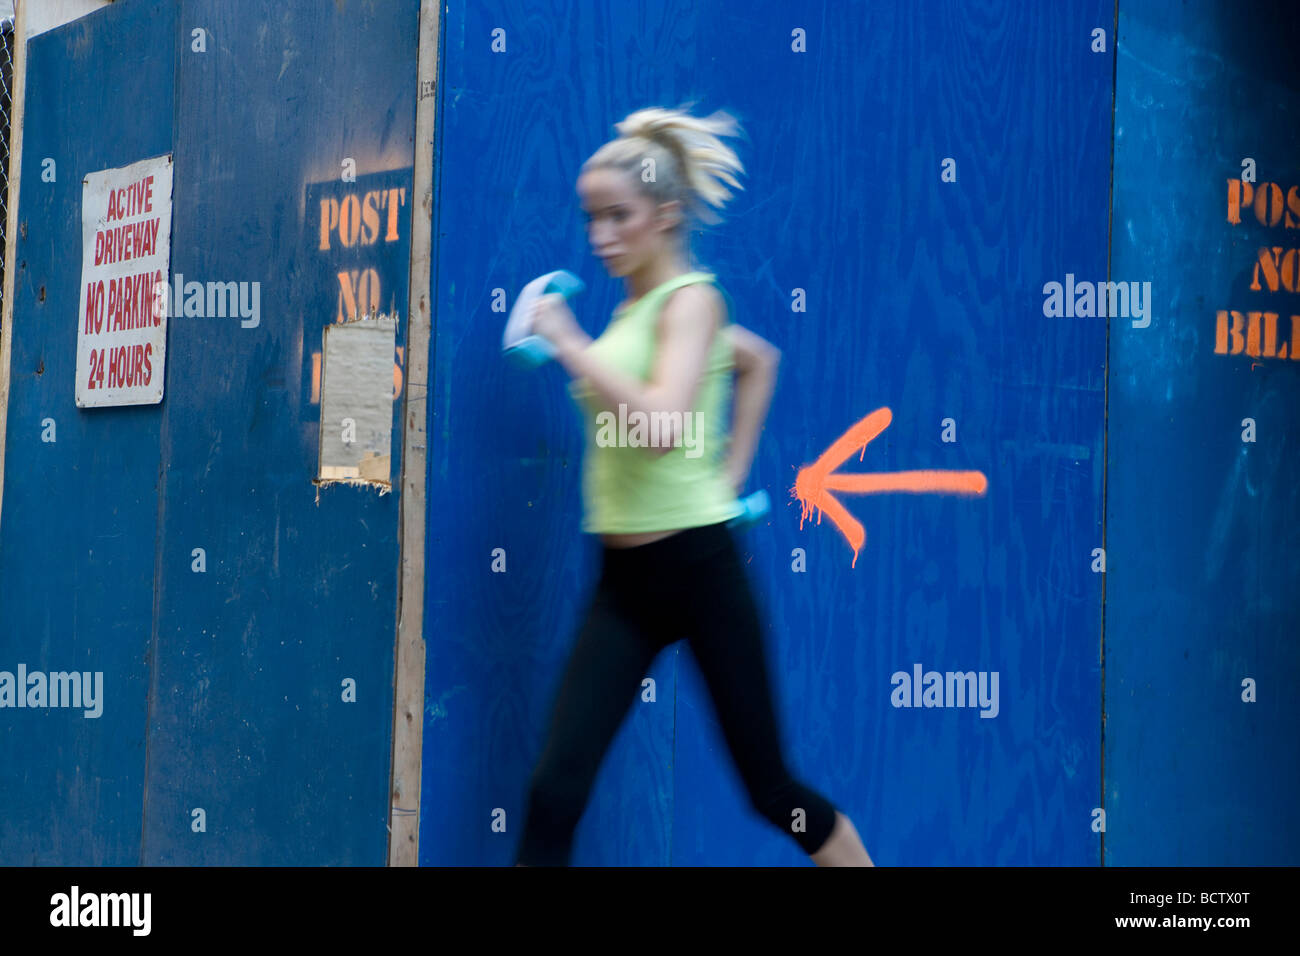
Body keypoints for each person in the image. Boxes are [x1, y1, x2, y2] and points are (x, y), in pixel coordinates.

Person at [515, 104, 872, 867]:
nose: (601, 236)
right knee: (554, 792)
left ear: (667, 215)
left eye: (620, 217)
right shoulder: (637, 309)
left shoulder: (694, 302)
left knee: (772, 791)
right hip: (623, 584)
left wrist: (570, 342)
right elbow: (757, 361)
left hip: (700, 571)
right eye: (592, 218)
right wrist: (731, 470)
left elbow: (660, 424)